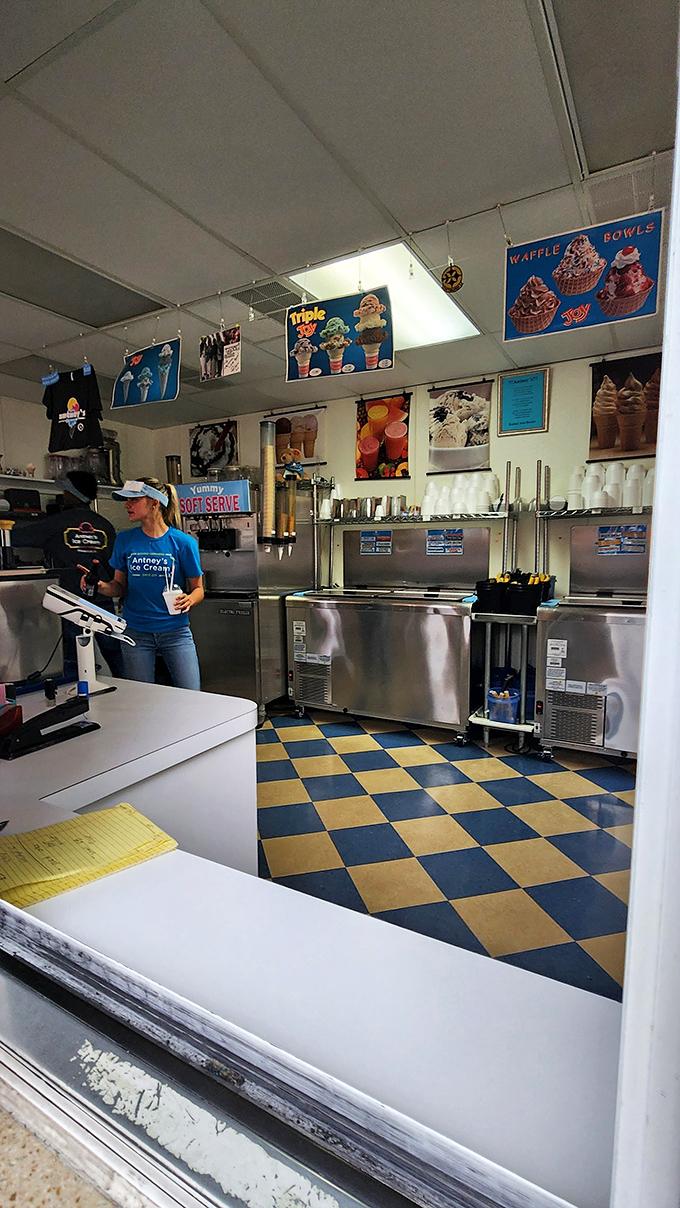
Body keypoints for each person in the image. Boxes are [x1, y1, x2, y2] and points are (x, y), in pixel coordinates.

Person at [88, 478, 204, 691]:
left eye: (133, 499)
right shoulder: (124, 540)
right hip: (135, 633)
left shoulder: (183, 543)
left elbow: (198, 589)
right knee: (141, 697)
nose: (127, 505)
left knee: (192, 694)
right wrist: (100, 586)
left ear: (154, 502)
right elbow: (118, 586)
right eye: (126, 500)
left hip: (175, 632)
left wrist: (190, 599)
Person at [11, 469, 124, 678]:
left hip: (70, 603)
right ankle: (131, 691)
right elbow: (113, 566)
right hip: (103, 600)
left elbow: (17, 537)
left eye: (65, 491)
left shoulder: (56, 523)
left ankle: (82, 692)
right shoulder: (105, 526)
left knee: (76, 660)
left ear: (71, 493)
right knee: (116, 655)